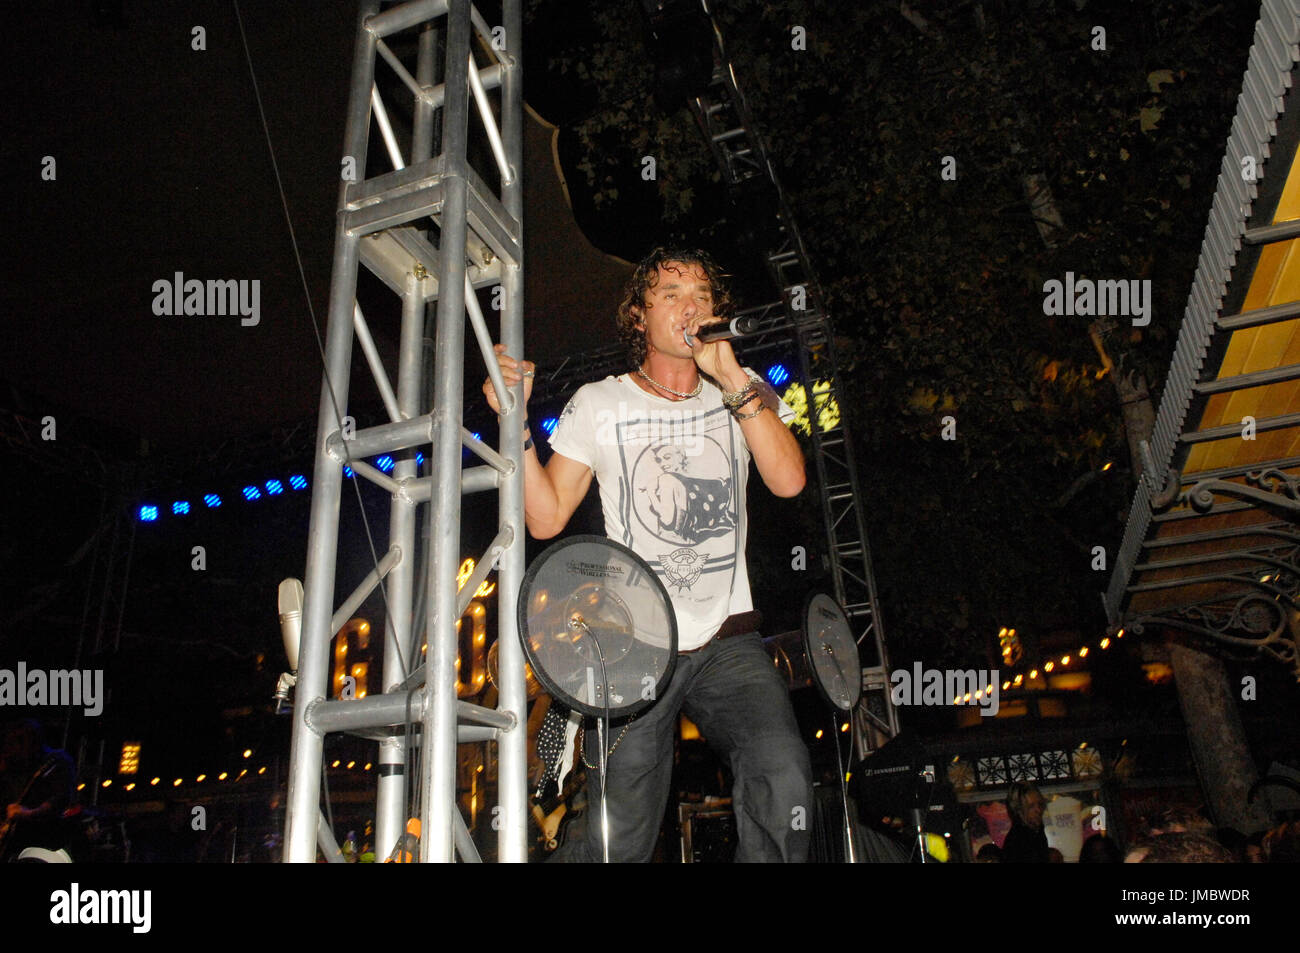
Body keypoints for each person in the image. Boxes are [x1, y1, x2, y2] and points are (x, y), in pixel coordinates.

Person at [484, 246, 813, 862]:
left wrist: (735, 377)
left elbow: (790, 480)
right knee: (619, 827)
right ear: (639, 316)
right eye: (671, 294)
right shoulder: (599, 404)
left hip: (729, 638)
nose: (690, 307)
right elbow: (546, 514)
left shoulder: (743, 392)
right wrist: (516, 422)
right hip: (634, 642)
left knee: (784, 771)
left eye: (703, 296)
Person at [0, 719, 76, 861]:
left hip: (43, 844)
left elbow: (59, 801)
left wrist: (28, 814)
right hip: (13, 846)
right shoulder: (15, 767)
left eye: (13, 743)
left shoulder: (56, 761)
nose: (9, 749)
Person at [1000, 781, 1050, 863]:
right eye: (1031, 806)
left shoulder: (1036, 833)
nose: (1038, 810)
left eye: (1040, 804)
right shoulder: (1018, 842)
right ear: (1018, 810)